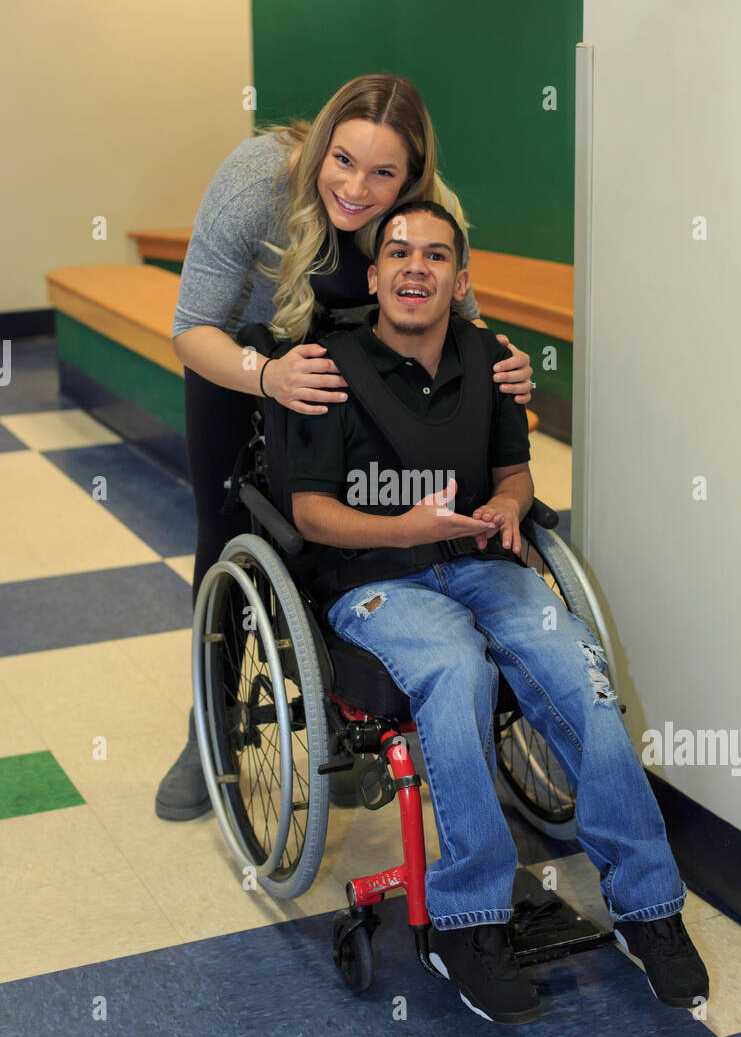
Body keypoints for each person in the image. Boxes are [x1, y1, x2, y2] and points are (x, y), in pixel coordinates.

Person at [285, 199, 709, 1026]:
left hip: (483, 562)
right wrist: (402, 527)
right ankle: (466, 922)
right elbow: (307, 512)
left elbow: (514, 474)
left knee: (579, 678)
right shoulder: (328, 367)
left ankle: (649, 907)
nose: (415, 267)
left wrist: (512, 506)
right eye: (398, 253)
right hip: (379, 581)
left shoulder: (489, 358)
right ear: (372, 276)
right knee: (455, 671)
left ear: (460, 279)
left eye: (435, 256)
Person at [154, 73, 534, 820]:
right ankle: (211, 725)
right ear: (320, 147)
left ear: (412, 177)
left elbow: (462, 325)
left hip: (349, 373)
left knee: (346, 523)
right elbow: (189, 328)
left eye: (384, 173)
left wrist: (502, 363)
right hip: (242, 364)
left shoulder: (431, 212)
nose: (358, 188)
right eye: (344, 162)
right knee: (227, 532)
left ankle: (348, 696)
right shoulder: (254, 183)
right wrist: (266, 376)